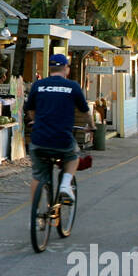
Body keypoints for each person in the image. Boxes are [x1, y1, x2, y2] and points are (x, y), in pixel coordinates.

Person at [23, 53, 89, 205]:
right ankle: (66, 184)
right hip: (62, 140)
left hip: (39, 140)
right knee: (73, 156)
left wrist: (37, 120)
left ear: (50, 68)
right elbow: (85, 111)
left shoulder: (38, 85)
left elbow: (30, 110)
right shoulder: (73, 86)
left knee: (38, 177)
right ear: (66, 68)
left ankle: (36, 218)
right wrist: (91, 126)